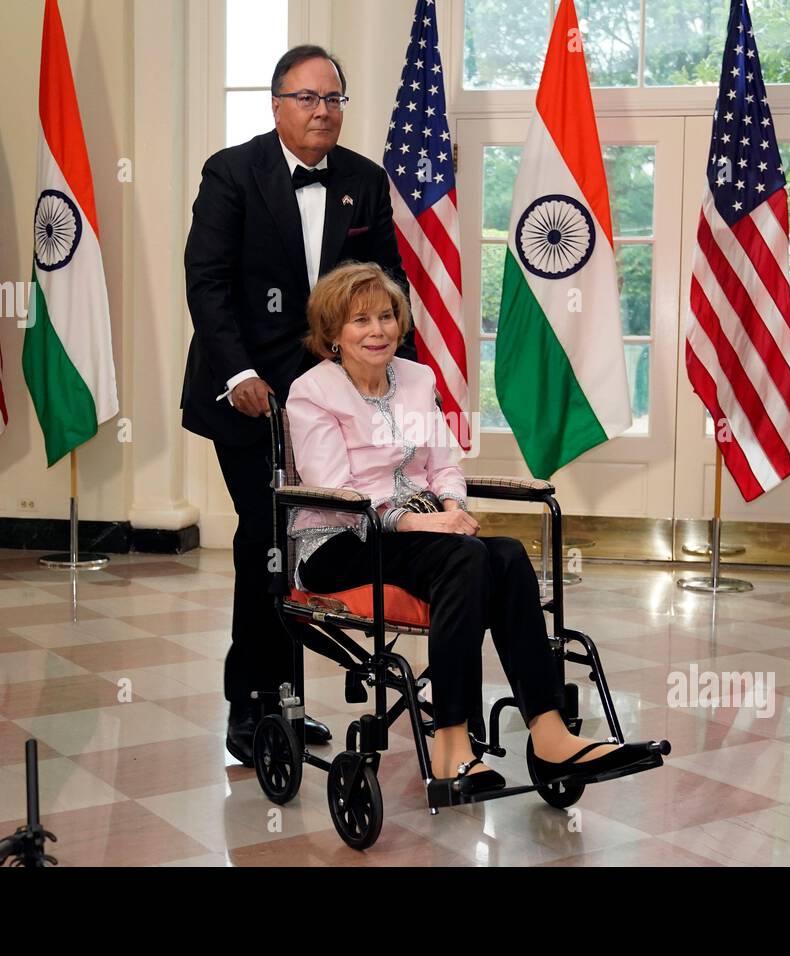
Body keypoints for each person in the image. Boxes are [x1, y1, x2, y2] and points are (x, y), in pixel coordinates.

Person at [287, 262, 659, 792]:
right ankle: (451, 744)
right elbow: (338, 491)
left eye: (387, 316)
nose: (378, 330)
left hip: (418, 531)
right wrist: (421, 521)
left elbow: (444, 465)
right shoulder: (313, 392)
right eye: (360, 320)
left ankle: (550, 734)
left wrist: (453, 510)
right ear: (333, 335)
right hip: (340, 542)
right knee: (466, 557)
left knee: (503, 554)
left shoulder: (417, 379)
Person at [182, 45, 415, 768]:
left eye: (334, 99)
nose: (323, 112)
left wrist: (393, 380)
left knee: (322, 543)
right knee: (266, 542)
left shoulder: (364, 182)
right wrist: (241, 373)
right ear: (277, 104)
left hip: (332, 399)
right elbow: (207, 281)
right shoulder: (232, 173)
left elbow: (386, 284)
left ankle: (292, 702)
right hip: (247, 398)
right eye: (308, 98)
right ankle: (251, 705)